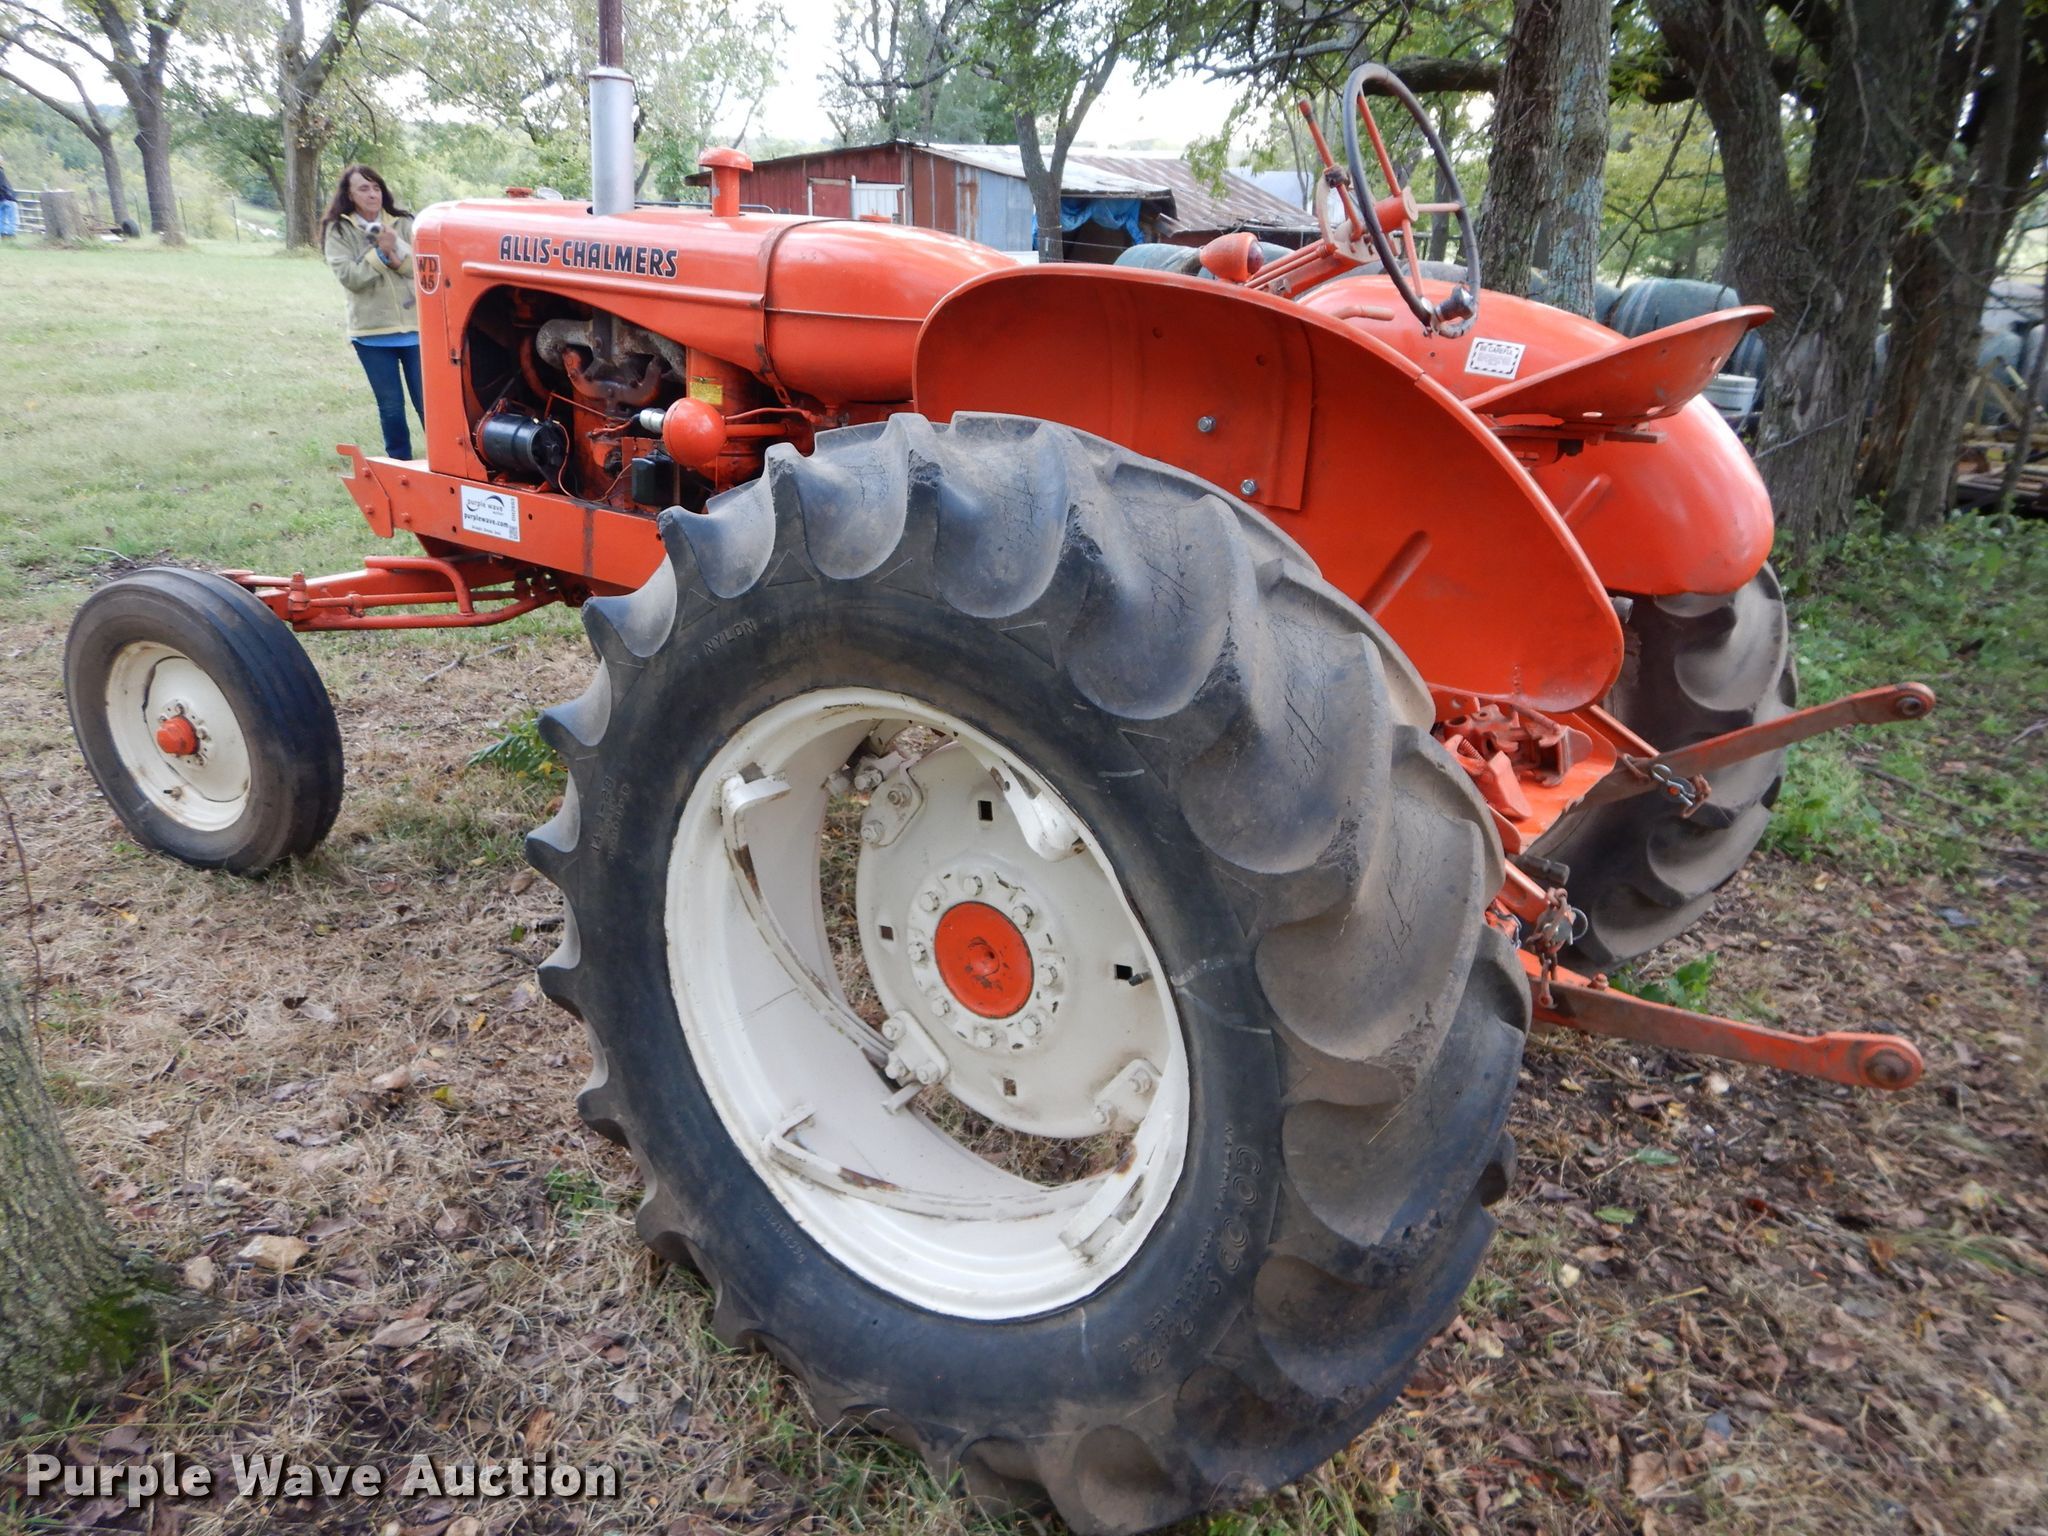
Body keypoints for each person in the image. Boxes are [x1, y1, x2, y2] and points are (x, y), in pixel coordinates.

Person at [322, 164, 422, 458]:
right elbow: (350, 278)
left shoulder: (404, 222)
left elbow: (422, 267)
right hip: (372, 335)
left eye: (376, 187)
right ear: (349, 195)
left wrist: (394, 257)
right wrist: (380, 253)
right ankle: (400, 464)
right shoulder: (339, 229)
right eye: (363, 188)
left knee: (429, 404)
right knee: (391, 407)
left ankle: (445, 466)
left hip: (416, 330)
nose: (372, 194)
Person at [0, 161, 20, 240]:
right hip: (7, 198)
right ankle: (10, 234)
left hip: (1, 199)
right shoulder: (1, 172)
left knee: (1, 218)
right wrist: (10, 195)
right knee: (12, 218)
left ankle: (3, 234)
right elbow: (3, 186)